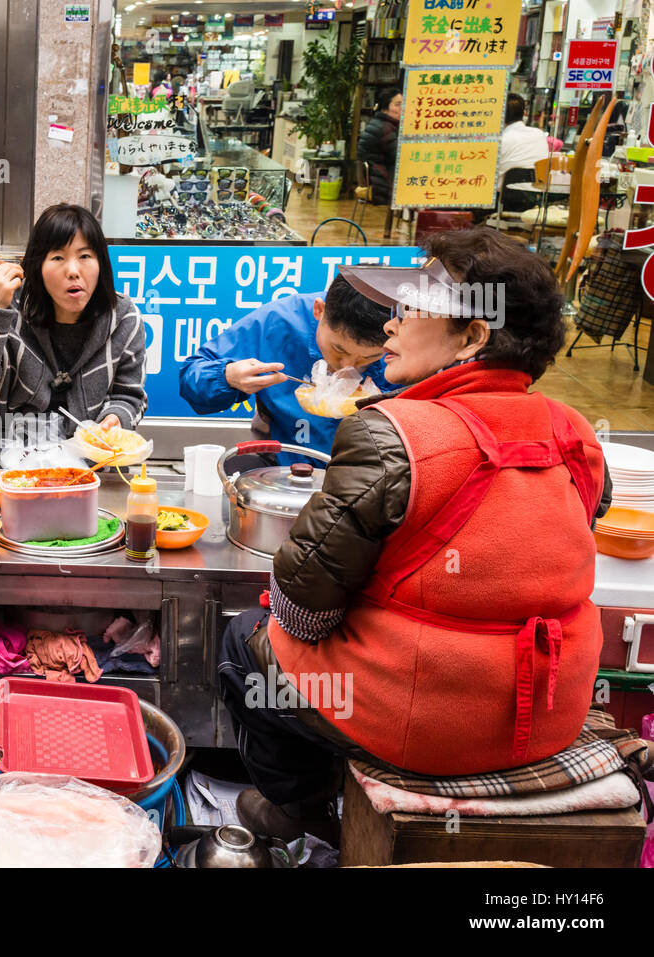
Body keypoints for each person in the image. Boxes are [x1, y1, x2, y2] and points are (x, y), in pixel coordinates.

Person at [215, 228, 612, 841]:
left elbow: (302, 607)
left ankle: (300, 809)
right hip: (549, 714)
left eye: (416, 309)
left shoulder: (392, 433)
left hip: (428, 725)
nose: (392, 327)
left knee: (246, 639)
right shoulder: (575, 430)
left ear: (473, 337)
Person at [0, 203, 146, 448]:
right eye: (57, 257)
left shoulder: (124, 318)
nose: (73, 271)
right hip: (7, 462)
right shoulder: (5, 310)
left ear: (101, 263)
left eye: (85, 256)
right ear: (38, 266)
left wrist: (114, 419)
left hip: (92, 464)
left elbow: (128, 396)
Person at [178, 276, 393, 454]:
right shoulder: (278, 323)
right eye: (339, 350)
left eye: (367, 358)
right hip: (284, 469)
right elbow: (192, 376)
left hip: (375, 476)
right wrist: (227, 376)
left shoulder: (406, 343)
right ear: (319, 311)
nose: (347, 367)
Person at [497, 93, 549, 210]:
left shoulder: (501, 140)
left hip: (503, 199)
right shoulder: (539, 135)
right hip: (535, 197)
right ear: (524, 113)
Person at [357, 88, 401, 201]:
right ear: (385, 108)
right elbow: (400, 157)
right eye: (397, 104)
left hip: (376, 179)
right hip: (381, 185)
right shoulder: (385, 128)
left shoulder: (380, 123)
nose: (403, 108)